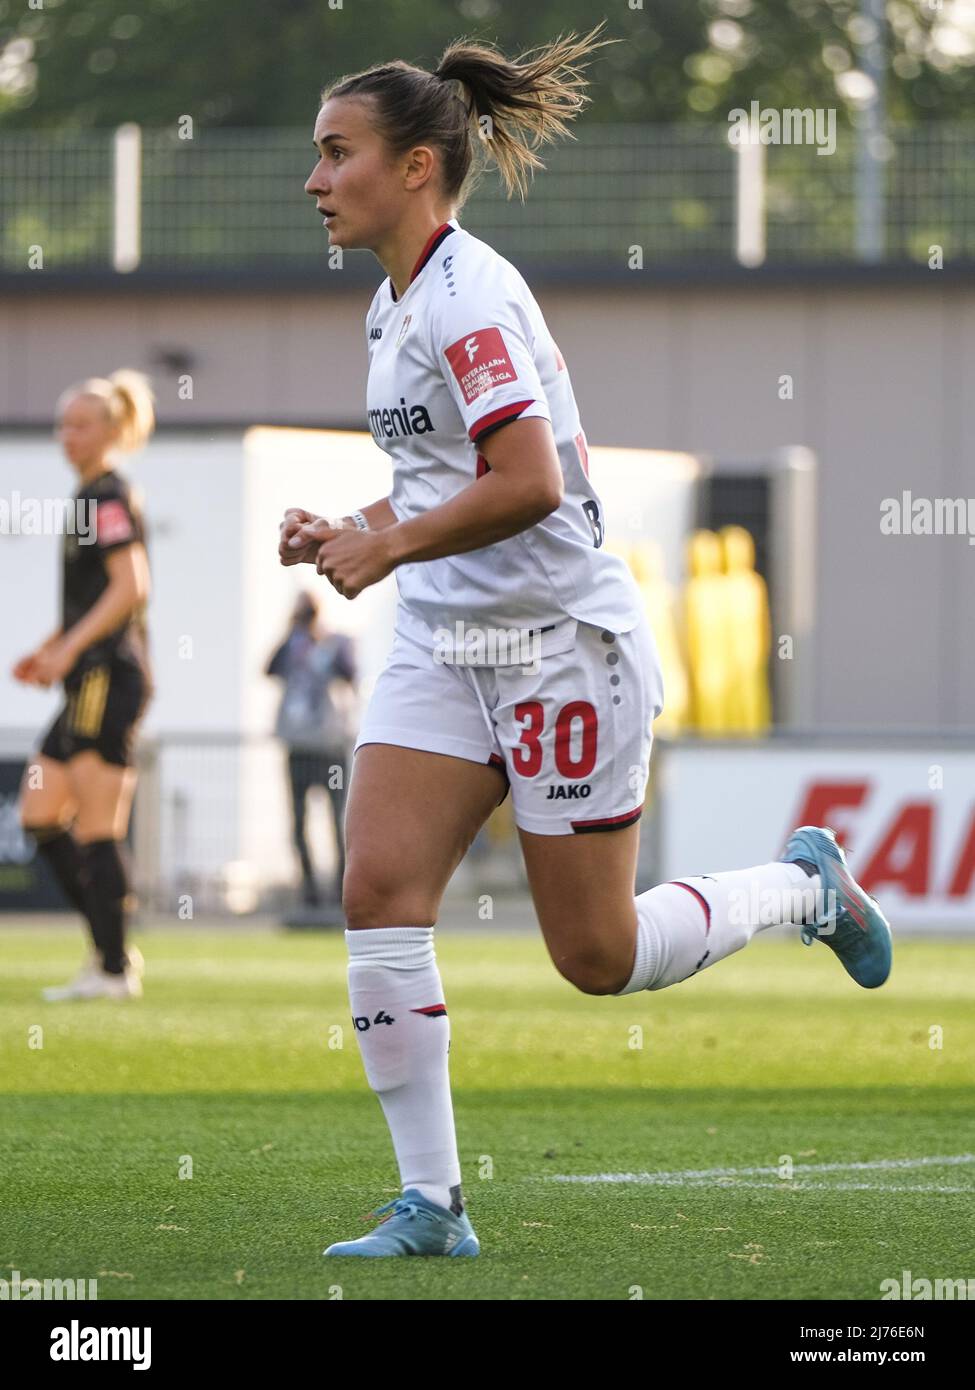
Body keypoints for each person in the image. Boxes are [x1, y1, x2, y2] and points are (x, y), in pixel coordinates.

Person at [280, 24, 892, 1258]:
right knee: (377, 889)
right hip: (450, 643)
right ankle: (434, 1204)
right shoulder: (391, 305)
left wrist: (387, 549)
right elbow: (442, 479)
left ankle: (801, 886)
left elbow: (530, 484)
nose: (313, 178)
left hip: (561, 644)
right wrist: (351, 526)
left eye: (335, 152)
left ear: (411, 168)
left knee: (598, 956)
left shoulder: (470, 296)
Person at [13, 369, 155, 1001]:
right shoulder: (88, 496)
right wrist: (49, 649)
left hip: (107, 678)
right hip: (85, 679)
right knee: (39, 814)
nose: (67, 435)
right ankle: (109, 950)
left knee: (97, 825)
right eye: (62, 424)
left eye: (80, 424)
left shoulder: (108, 496)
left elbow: (132, 588)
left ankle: (113, 968)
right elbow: (95, 597)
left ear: (112, 430)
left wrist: (69, 649)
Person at [265, 592, 357, 909]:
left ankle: (340, 892)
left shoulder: (337, 643)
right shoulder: (292, 645)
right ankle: (310, 892)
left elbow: (350, 672)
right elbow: (269, 668)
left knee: (337, 822)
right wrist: (291, 630)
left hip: (329, 748)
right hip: (299, 747)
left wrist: (322, 639)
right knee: (299, 823)